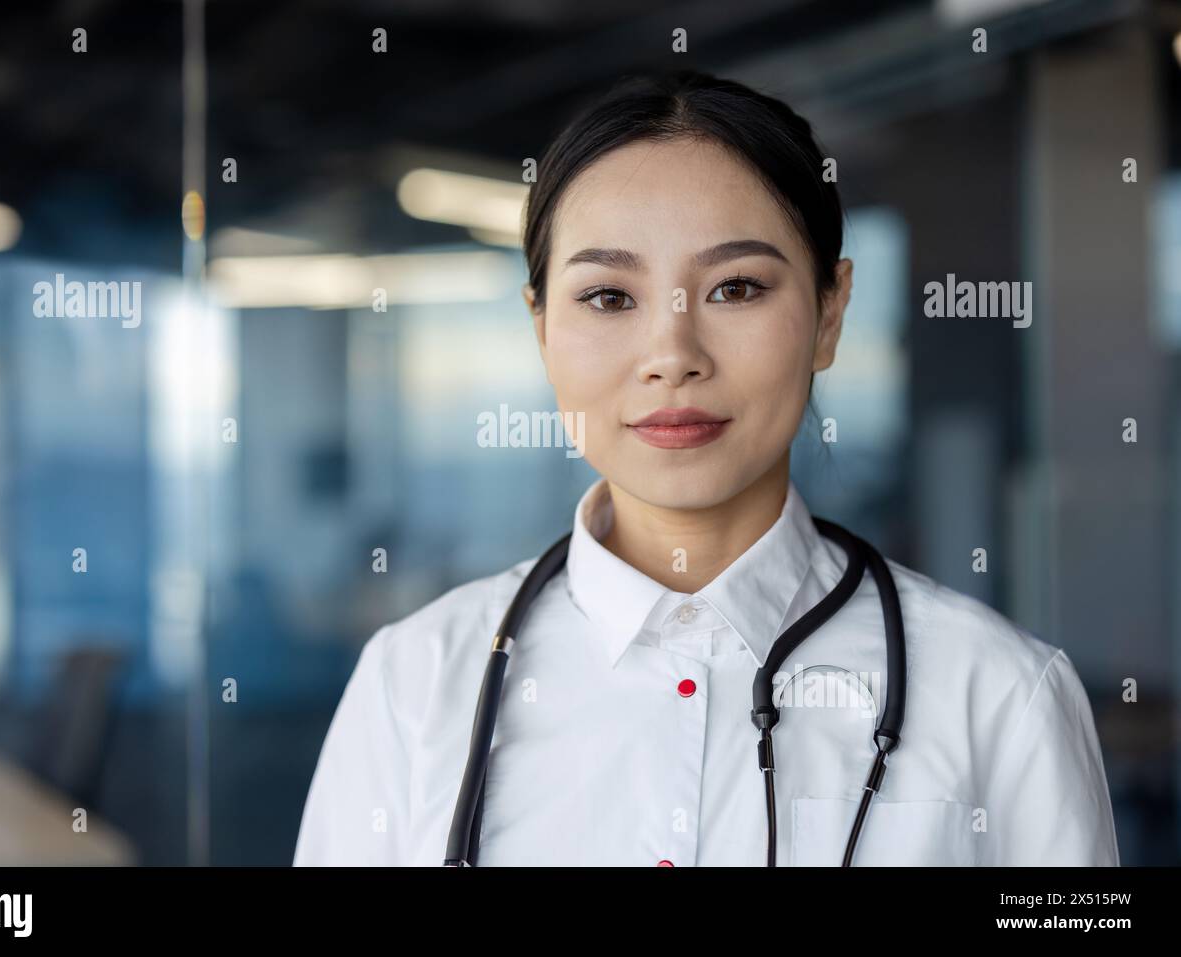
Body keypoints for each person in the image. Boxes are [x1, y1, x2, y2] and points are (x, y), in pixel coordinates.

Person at [293, 69, 1119, 867]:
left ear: (830, 314)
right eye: (610, 297)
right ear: (542, 328)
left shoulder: (1003, 698)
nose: (672, 356)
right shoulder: (414, 686)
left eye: (735, 288)